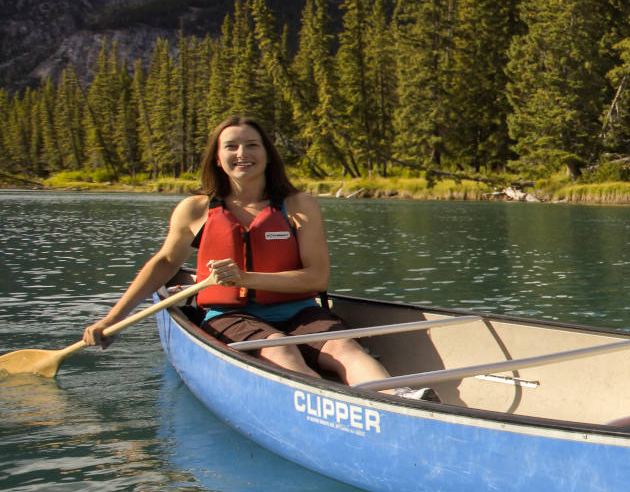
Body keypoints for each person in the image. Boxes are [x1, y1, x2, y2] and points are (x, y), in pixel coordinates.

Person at [84, 115, 415, 394]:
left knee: (346, 348)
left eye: (252, 145)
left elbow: (317, 277)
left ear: (268, 155)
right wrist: (112, 319)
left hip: (297, 309)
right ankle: (331, 406)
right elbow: (165, 264)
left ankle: (400, 400)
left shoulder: (299, 206)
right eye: (231, 146)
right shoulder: (195, 209)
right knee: (281, 349)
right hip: (228, 315)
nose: (242, 153)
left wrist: (243, 278)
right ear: (217, 157)